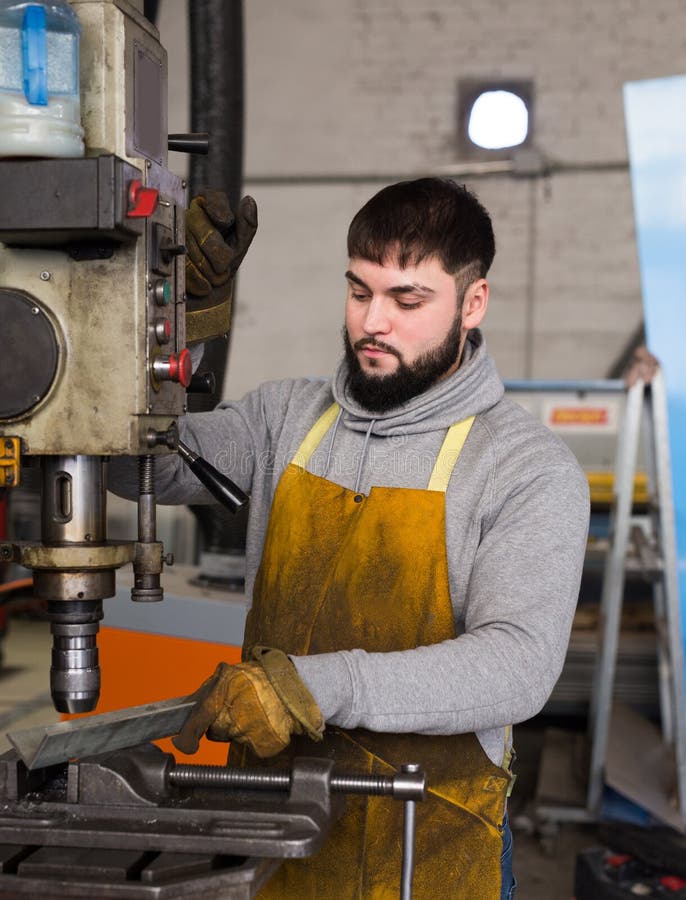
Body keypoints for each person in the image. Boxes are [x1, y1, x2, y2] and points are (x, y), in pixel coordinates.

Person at [112, 178, 590, 898]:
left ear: (473, 303)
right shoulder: (285, 417)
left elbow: (518, 665)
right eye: (359, 291)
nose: (374, 322)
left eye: (407, 301)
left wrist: (312, 684)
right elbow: (130, 464)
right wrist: (182, 322)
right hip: (269, 840)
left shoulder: (525, 466)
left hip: (425, 853)